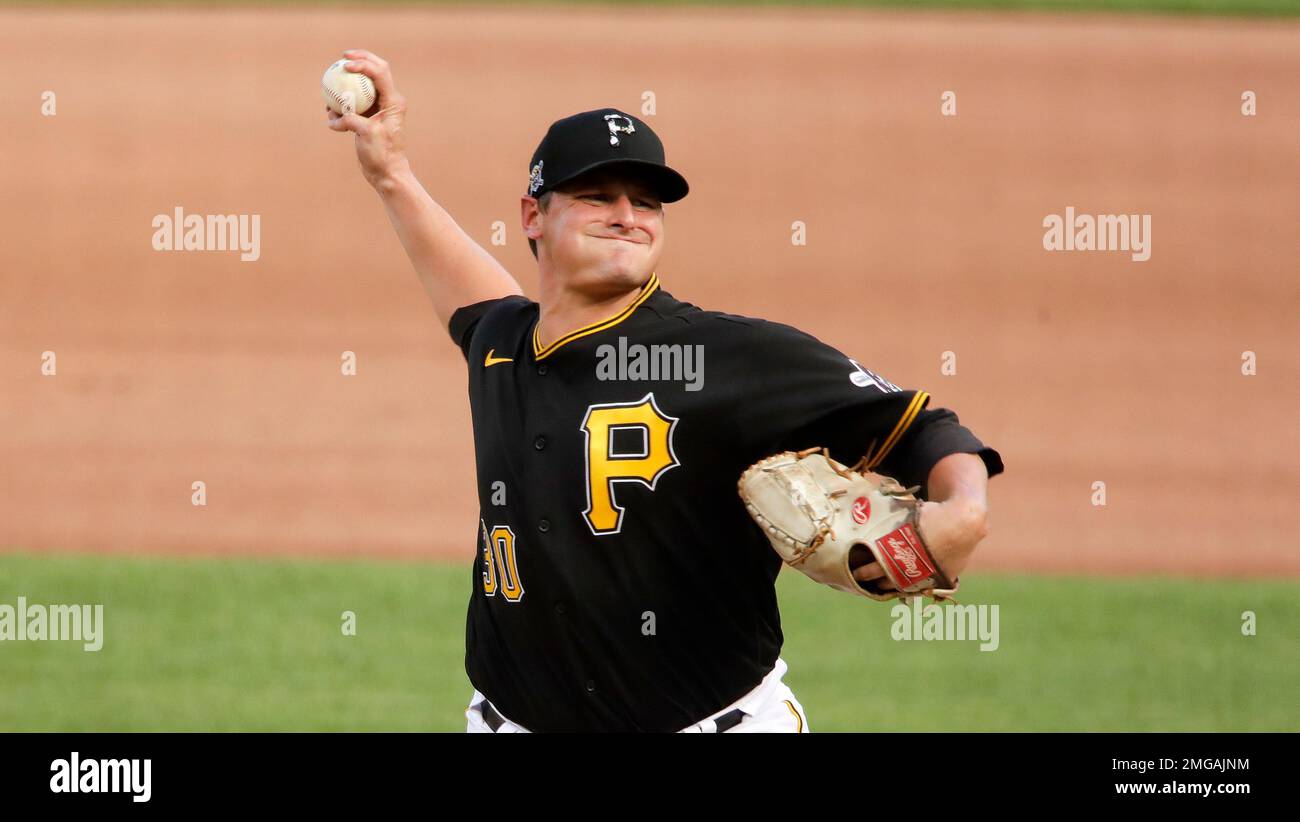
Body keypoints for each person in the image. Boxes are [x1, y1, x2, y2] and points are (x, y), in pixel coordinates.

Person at [328, 49, 1004, 733]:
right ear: (532, 215)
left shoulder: (725, 355)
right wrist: (390, 173)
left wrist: (963, 512)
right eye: (598, 196)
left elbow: (923, 426)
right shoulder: (502, 345)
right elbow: (470, 290)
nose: (628, 215)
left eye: (647, 202)